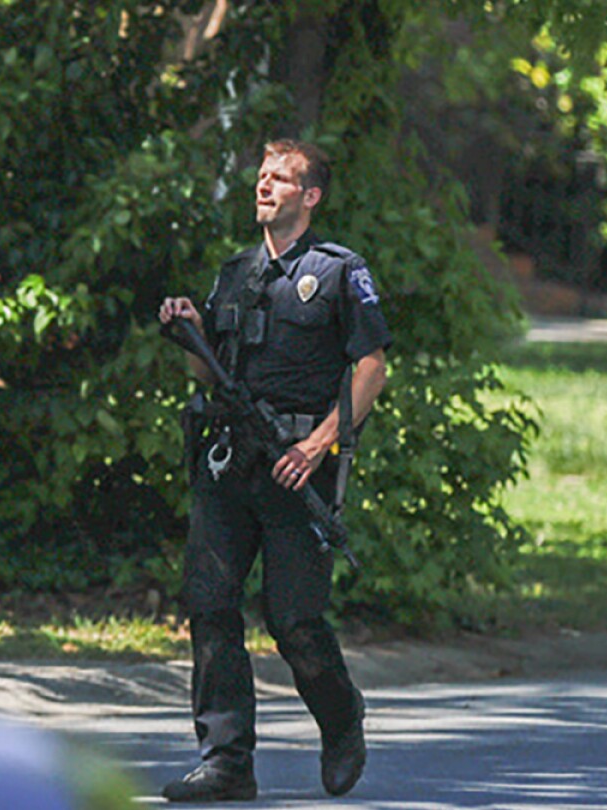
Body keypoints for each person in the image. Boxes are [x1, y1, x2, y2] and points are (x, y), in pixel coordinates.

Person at [156, 139, 391, 802]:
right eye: (262, 177)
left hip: (298, 471)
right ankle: (227, 760)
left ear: (310, 196)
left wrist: (318, 446)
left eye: (281, 178)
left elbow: (369, 369)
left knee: (293, 622)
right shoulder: (235, 273)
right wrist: (191, 328)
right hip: (229, 467)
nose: (265, 187)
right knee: (210, 606)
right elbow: (210, 373)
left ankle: (342, 720)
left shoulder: (339, 271)